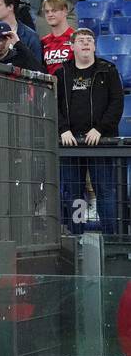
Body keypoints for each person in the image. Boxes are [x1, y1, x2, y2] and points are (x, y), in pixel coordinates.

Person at [56, 29, 124, 233]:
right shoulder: (62, 72)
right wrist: (63, 129)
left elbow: (117, 103)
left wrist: (100, 129)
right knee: (74, 194)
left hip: (101, 143)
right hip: (70, 144)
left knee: (105, 191)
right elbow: (52, 104)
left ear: (94, 46)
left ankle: (110, 239)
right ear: (72, 46)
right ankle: (76, 238)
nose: (86, 44)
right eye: (81, 40)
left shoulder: (108, 70)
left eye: (89, 40)